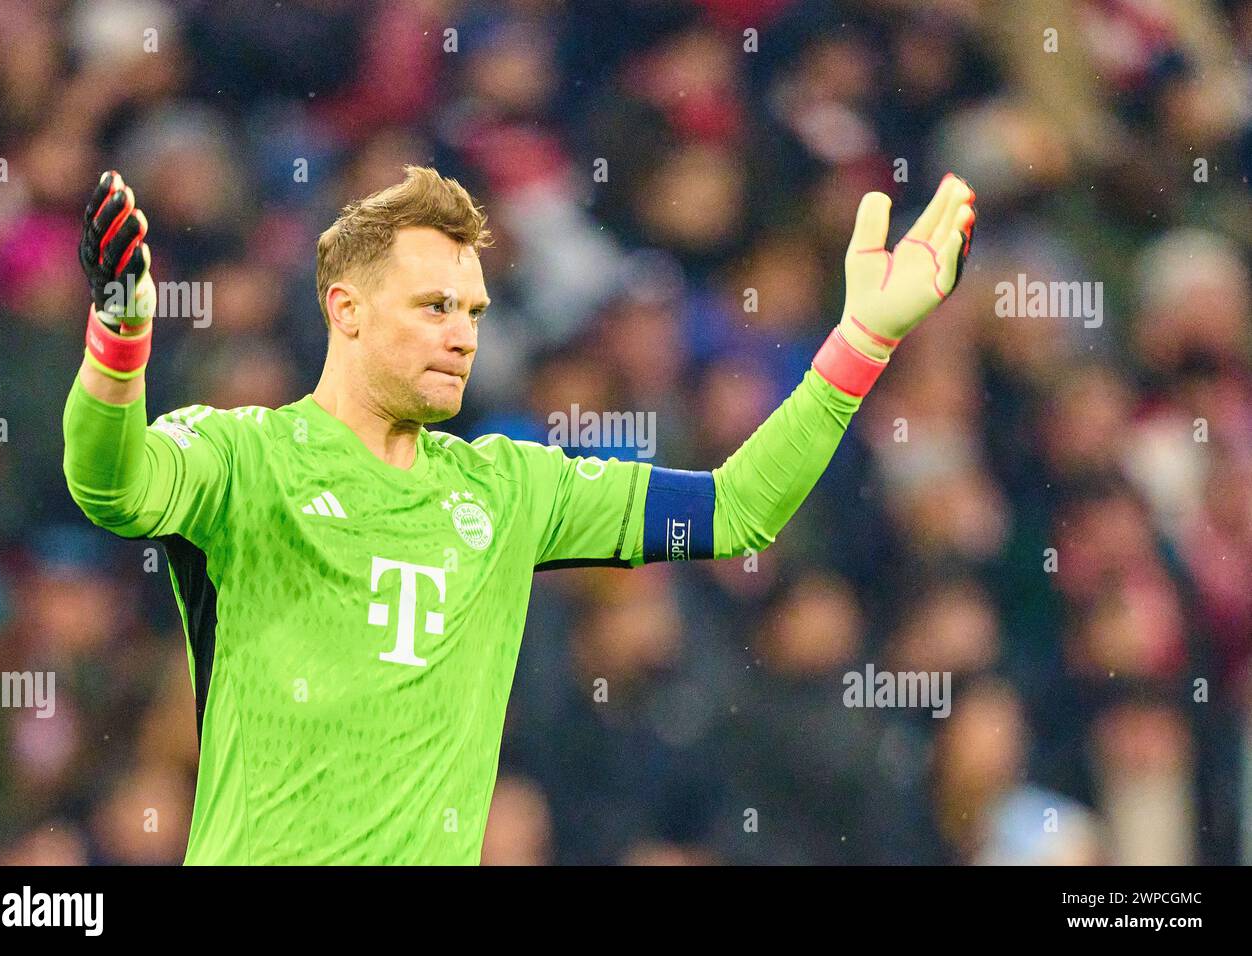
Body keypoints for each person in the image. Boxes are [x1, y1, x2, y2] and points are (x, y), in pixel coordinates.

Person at [62, 165, 975, 864]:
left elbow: (736, 510)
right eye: (433, 306)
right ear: (345, 309)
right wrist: (118, 340)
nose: (463, 332)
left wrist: (867, 337)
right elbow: (110, 482)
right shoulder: (240, 456)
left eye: (474, 309)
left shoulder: (509, 489)